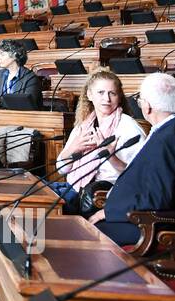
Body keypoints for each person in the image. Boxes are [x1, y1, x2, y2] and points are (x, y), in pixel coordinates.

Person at [92, 72, 175, 247]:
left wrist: (109, 212)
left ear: (148, 106)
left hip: (148, 226)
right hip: (135, 217)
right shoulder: (171, 130)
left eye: (140, 99)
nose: (140, 103)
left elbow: (158, 199)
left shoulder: (170, 139)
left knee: (84, 234)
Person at [53, 68, 143, 208]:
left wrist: (111, 157)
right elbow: (62, 169)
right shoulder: (84, 124)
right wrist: (72, 149)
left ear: (119, 97)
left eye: (112, 93)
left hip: (103, 196)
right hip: (75, 188)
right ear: (89, 95)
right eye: (100, 92)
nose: (106, 99)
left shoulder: (128, 127)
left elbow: (139, 177)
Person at [0, 39, 43, 108]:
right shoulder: (1, 74)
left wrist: (0, 101)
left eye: (2, 54)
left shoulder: (31, 78)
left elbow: (27, 103)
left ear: (14, 55)